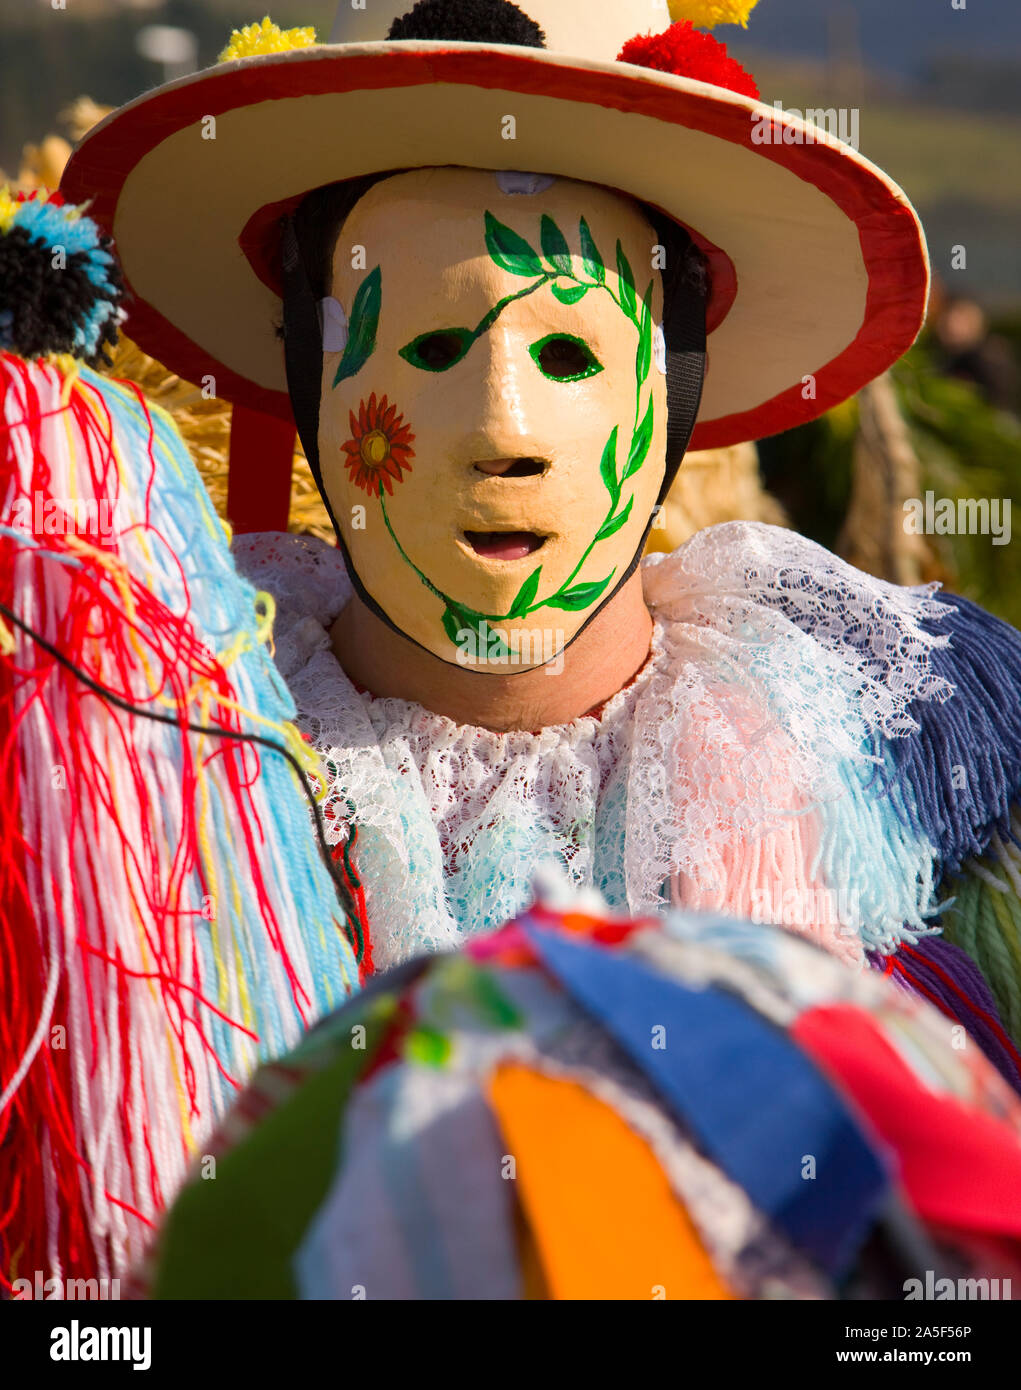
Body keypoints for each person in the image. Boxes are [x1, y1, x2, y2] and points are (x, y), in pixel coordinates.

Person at [61, 0, 1021, 1050]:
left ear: (675, 383)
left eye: (569, 356)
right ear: (310, 376)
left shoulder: (887, 764)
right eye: (428, 349)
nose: (501, 435)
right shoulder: (149, 774)